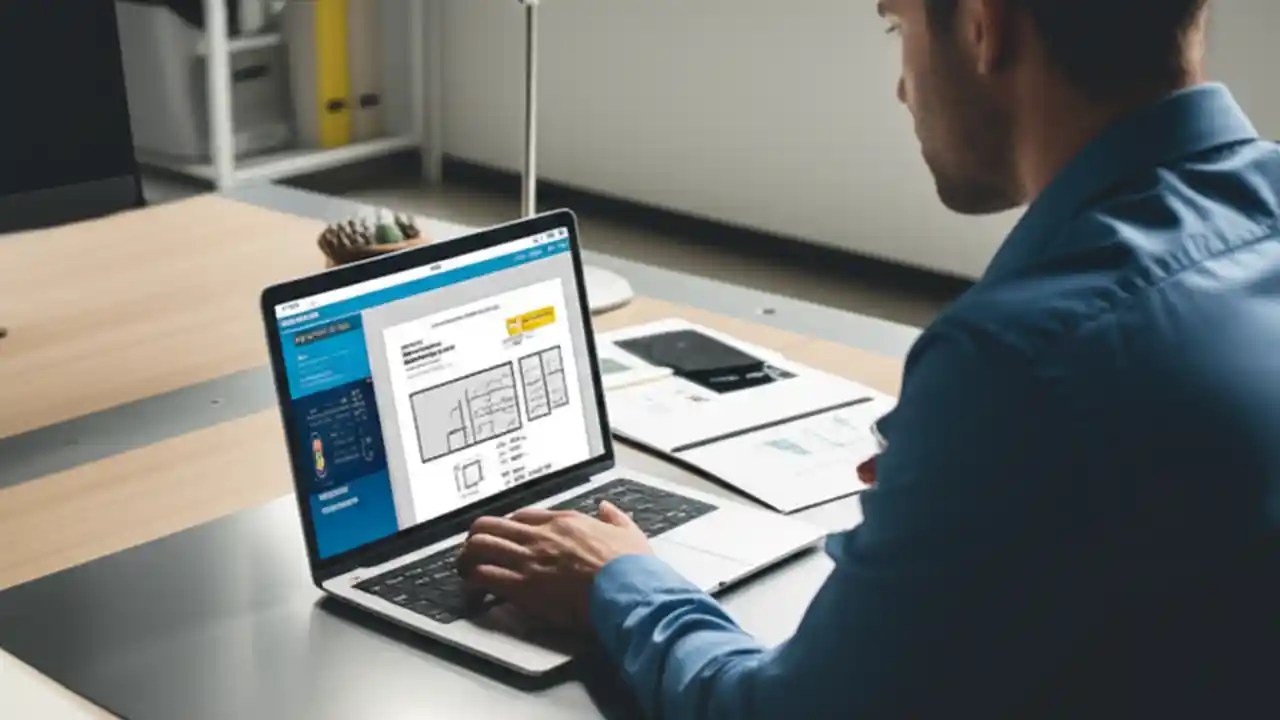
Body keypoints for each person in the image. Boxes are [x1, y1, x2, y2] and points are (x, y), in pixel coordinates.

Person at [460, 0, 1280, 716]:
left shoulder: (1018, 359)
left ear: (984, 28)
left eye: (898, 25)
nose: (901, 84)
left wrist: (618, 580)